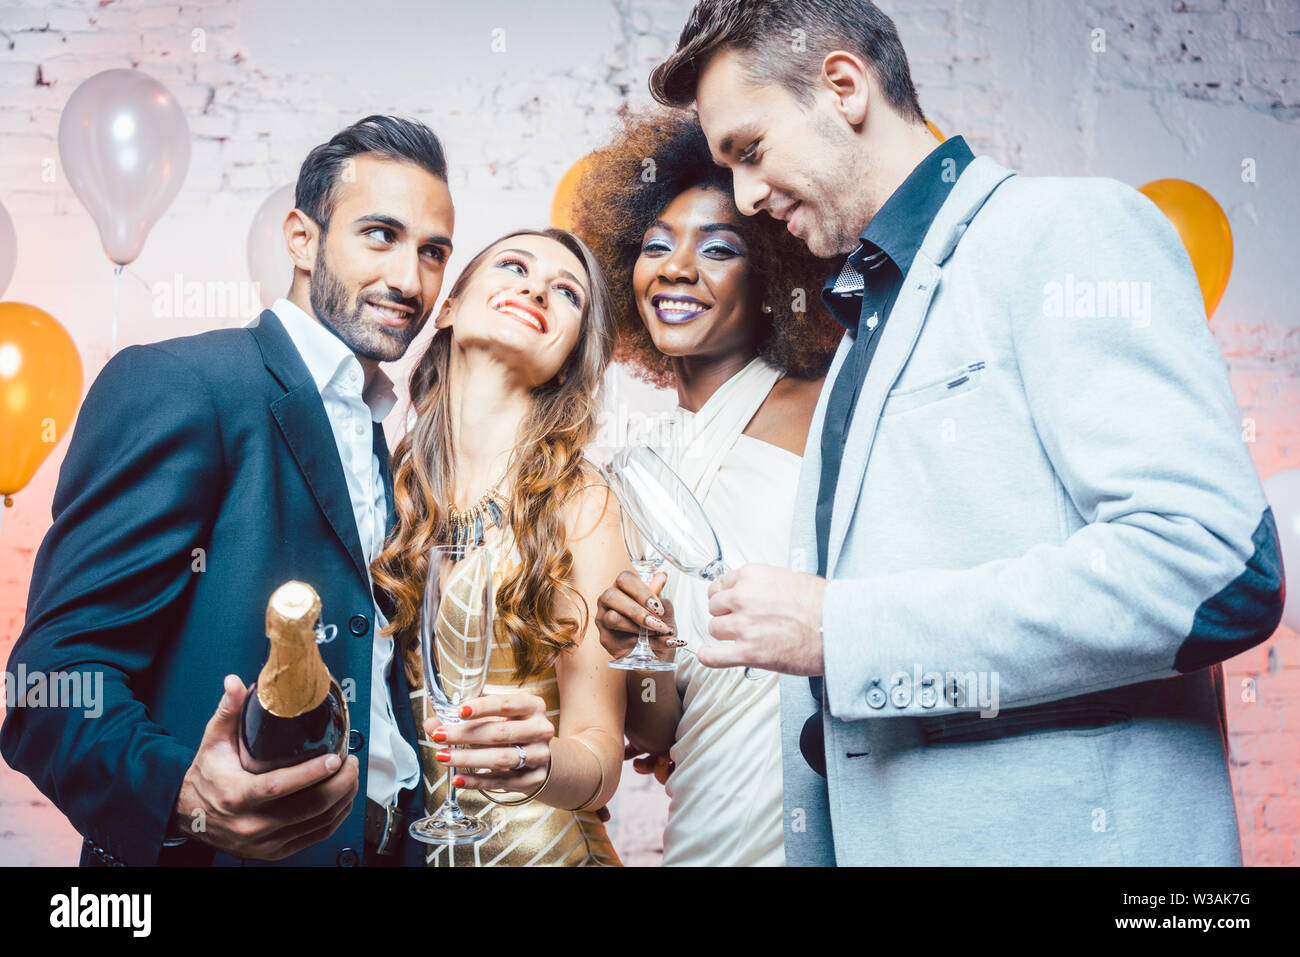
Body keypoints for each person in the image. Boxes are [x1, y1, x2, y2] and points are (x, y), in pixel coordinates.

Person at [649, 0, 1286, 866]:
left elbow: (1213, 567)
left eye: (750, 153)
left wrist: (842, 628)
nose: (748, 197)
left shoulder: (1065, 233)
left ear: (844, 87)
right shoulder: (859, 333)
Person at [0, 115, 455, 866]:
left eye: (433, 251)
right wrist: (183, 793)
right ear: (302, 239)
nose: (410, 278)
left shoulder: (383, 439)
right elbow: (49, 685)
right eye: (380, 234)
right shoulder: (184, 384)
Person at [570, 110, 839, 866]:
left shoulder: (826, 406)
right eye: (656, 246)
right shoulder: (625, 474)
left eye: (718, 249)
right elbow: (657, 734)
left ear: (771, 280)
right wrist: (640, 654)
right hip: (706, 824)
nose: (676, 268)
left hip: (833, 800)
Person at [371, 227, 627, 866]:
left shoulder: (581, 499)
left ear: (570, 354)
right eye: (513, 265)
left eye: (567, 292)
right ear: (449, 307)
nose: (535, 286)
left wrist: (537, 763)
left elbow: (601, 755)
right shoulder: (381, 485)